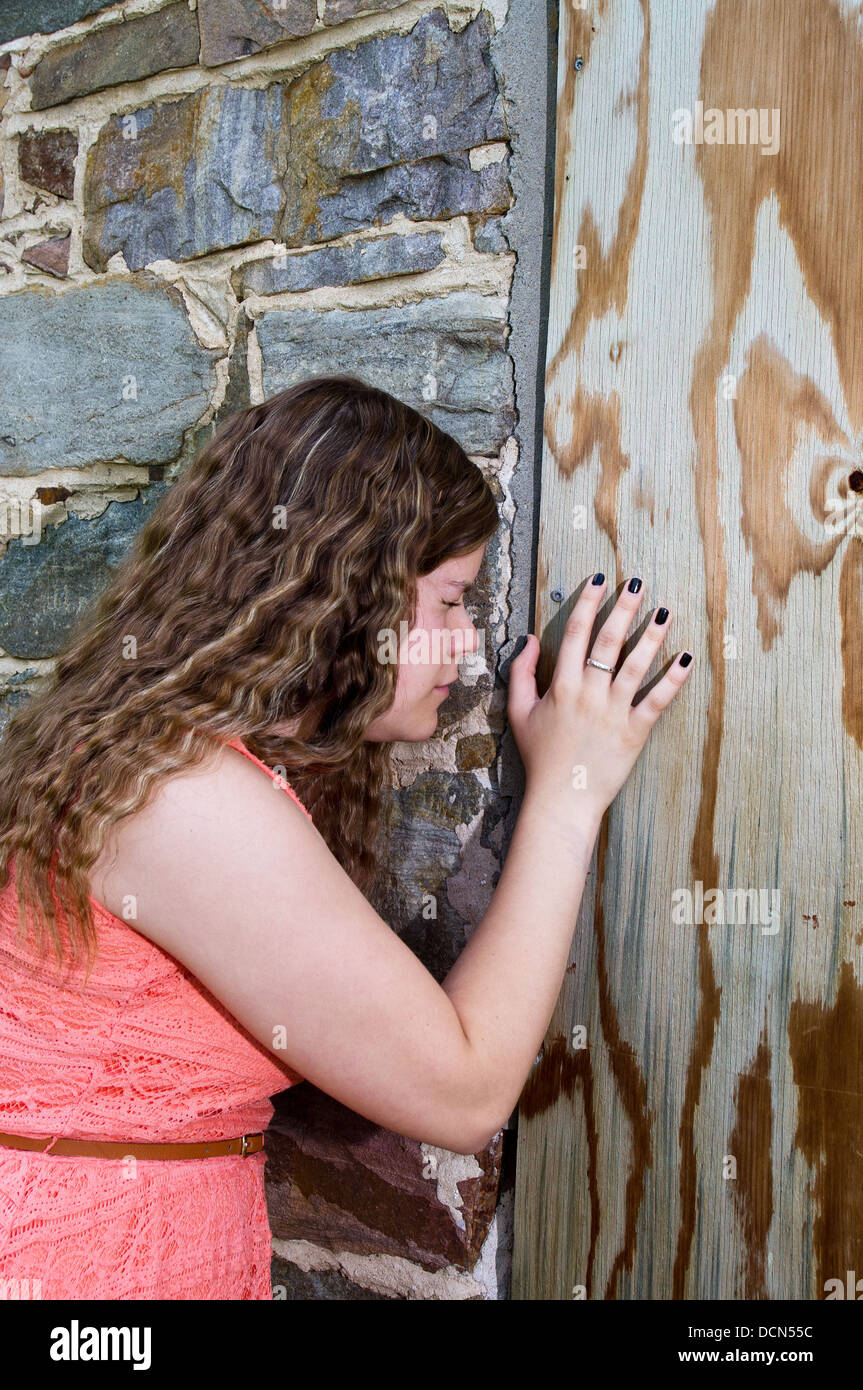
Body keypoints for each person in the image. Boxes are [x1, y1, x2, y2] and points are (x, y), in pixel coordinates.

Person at [0, 373, 692, 1299]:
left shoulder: (165, 754)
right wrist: (569, 791)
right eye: (449, 600)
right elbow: (463, 1093)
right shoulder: (186, 796)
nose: (465, 644)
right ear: (347, 593)